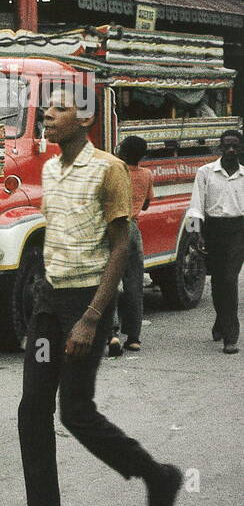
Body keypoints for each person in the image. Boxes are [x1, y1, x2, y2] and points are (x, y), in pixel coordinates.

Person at [4, 90, 181, 506]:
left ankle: (157, 477)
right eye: (45, 111)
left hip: (87, 304)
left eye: (57, 109)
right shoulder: (49, 169)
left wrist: (92, 318)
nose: (47, 117)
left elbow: (121, 248)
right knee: (32, 410)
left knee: (76, 413)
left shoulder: (109, 169)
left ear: (84, 116)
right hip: (48, 305)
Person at [186, 129, 244, 354]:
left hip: (238, 230)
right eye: (227, 146)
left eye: (235, 146)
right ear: (219, 148)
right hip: (213, 230)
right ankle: (221, 320)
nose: (231, 150)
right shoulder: (205, 173)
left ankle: (231, 336)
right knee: (219, 281)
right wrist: (196, 234)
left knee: (229, 279)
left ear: (240, 148)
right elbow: (195, 206)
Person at [109, 135, 154, 356]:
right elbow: (146, 204)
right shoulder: (147, 175)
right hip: (133, 229)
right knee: (134, 284)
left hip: (112, 227)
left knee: (109, 282)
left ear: (122, 152)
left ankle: (112, 333)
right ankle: (134, 338)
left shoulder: (114, 172)